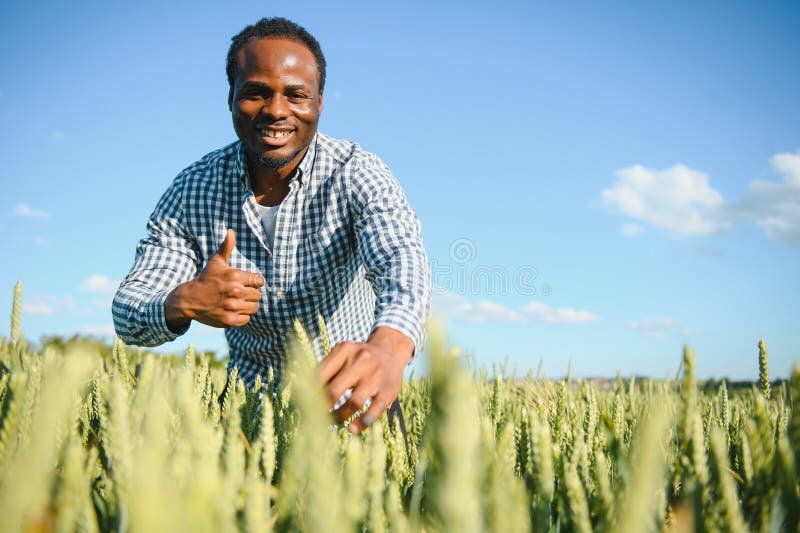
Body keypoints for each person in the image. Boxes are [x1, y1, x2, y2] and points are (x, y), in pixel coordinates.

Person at [112, 17, 431, 434]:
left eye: (296, 95)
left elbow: (401, 257)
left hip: (352, 405)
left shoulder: (356, 172)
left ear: (319, 101)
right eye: (256, 93)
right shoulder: (193, 189)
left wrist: (388, 348)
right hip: (246, 416)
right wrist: (182, 300)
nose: (277, 110)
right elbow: (129, 307)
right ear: (230, 98)